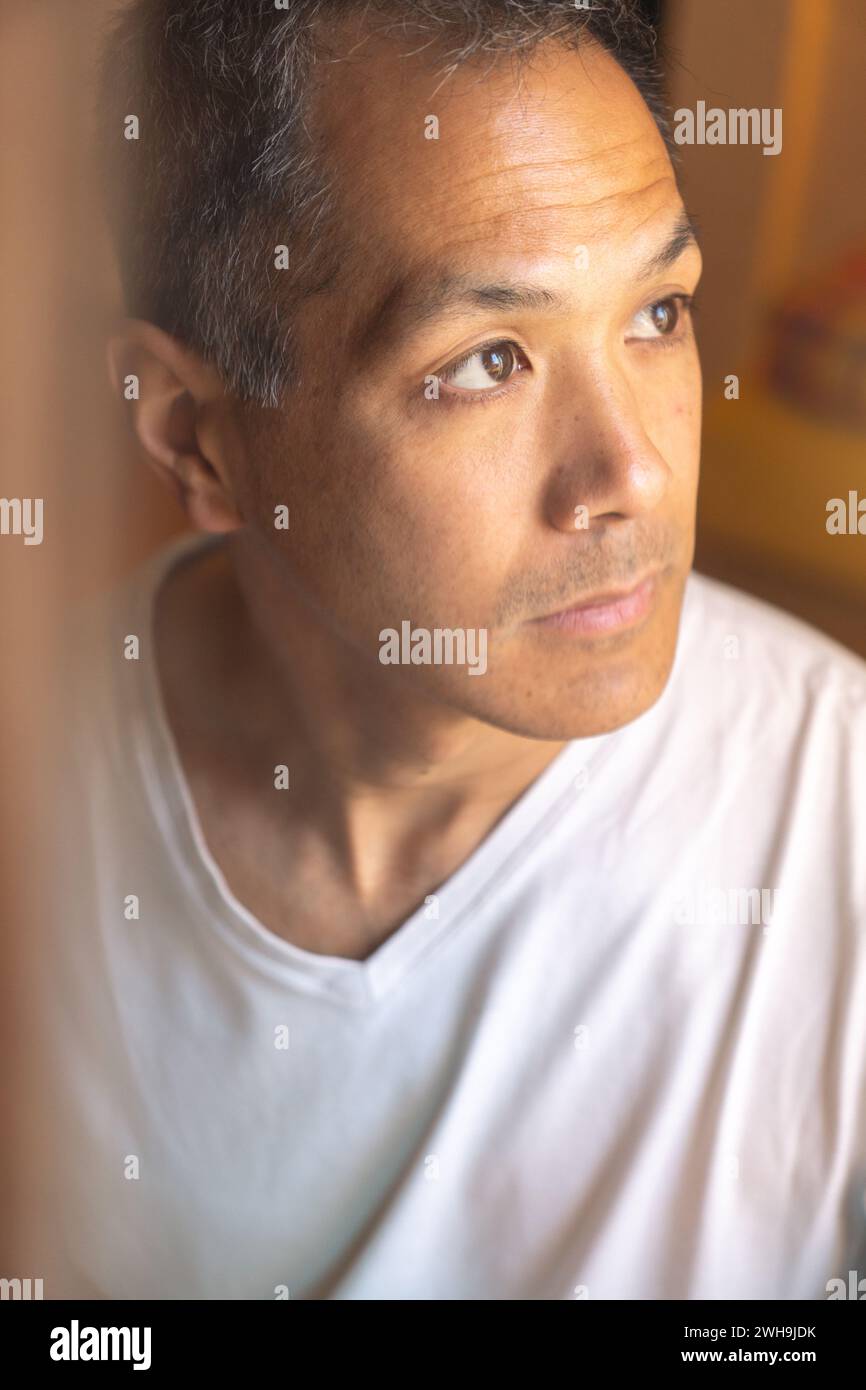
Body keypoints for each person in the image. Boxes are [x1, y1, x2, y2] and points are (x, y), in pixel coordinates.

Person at [49, 0, 866, 1299]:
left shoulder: (838, 829)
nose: (635, 473)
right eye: (489, 360)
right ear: (198, 439)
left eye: (656, 313)